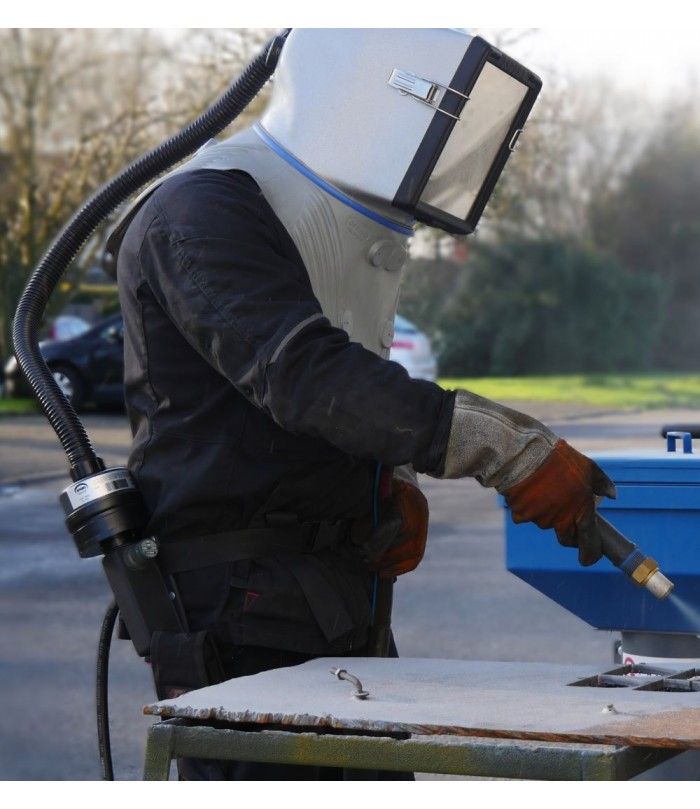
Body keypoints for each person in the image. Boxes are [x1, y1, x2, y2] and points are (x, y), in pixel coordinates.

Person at [112, 29, 615, 780]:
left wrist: (390, 482)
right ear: (372, 87)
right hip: (239, 608)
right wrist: (507, 450)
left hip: (323, 598)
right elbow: (302, 374)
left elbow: (352, 358)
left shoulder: (307, 210)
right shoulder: (202, 206)